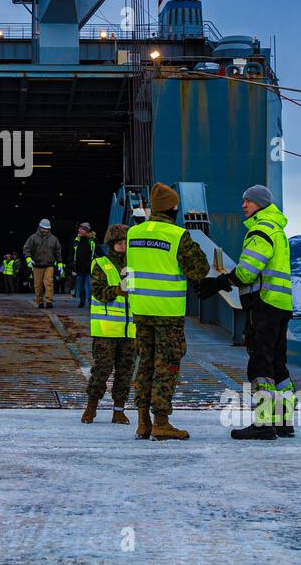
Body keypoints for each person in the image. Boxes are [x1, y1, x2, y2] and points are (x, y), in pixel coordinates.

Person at [199, 185, 294, 440]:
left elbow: (247, 272)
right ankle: (284, 420)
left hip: (263, 304)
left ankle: (264, 423)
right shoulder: (278, 230)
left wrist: (219, 283)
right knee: (279, 367)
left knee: (260, 365)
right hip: (281, 305)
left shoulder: (260, 231)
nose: (243, 205)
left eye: (248, 202)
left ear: (260, 204)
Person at [125, 183, 209, 440]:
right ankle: (161, 421)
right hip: (167, 313)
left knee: (145, 364)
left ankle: (142, 422)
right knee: (167, 366)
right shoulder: (176, 235)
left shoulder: (133, 234)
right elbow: (199, 269)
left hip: (141, 310)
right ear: (173, 208)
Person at [82, 224, 136, 425]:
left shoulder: (134, 265)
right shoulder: (101, 263)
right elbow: (98, 292)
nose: (123, 246)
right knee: (102, 369)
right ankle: (91, 407)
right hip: (106, 329)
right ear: (112, 244)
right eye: (119, 242)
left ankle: (119, 410)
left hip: (129, 330)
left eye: (125, 242)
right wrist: (117, 290)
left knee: (125, 371)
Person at [22, 218, 62, 308]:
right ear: (39, 227)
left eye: (47, 229)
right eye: (43, 228)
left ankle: (48, 301)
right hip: (37, 265)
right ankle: (39, 301)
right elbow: (26, 248)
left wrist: (60, 262)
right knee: (38, 284)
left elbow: (58, 251)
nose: (45, 230)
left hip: (49, 265)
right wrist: (28, 259)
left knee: (49, 282)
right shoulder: (33, 238)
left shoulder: (54, 239)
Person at [72, 222, 96, 309]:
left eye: (81, 229)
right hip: (79, 268)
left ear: (86, 231)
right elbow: (73, 253)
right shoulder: (77, 240)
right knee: (80, 287)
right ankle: (82, 301)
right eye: (79, 229)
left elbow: (99, 251)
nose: (79, 230)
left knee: (89, 288)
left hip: (89, 268)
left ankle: (90, 303)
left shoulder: (92, 240)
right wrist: (72, 265)